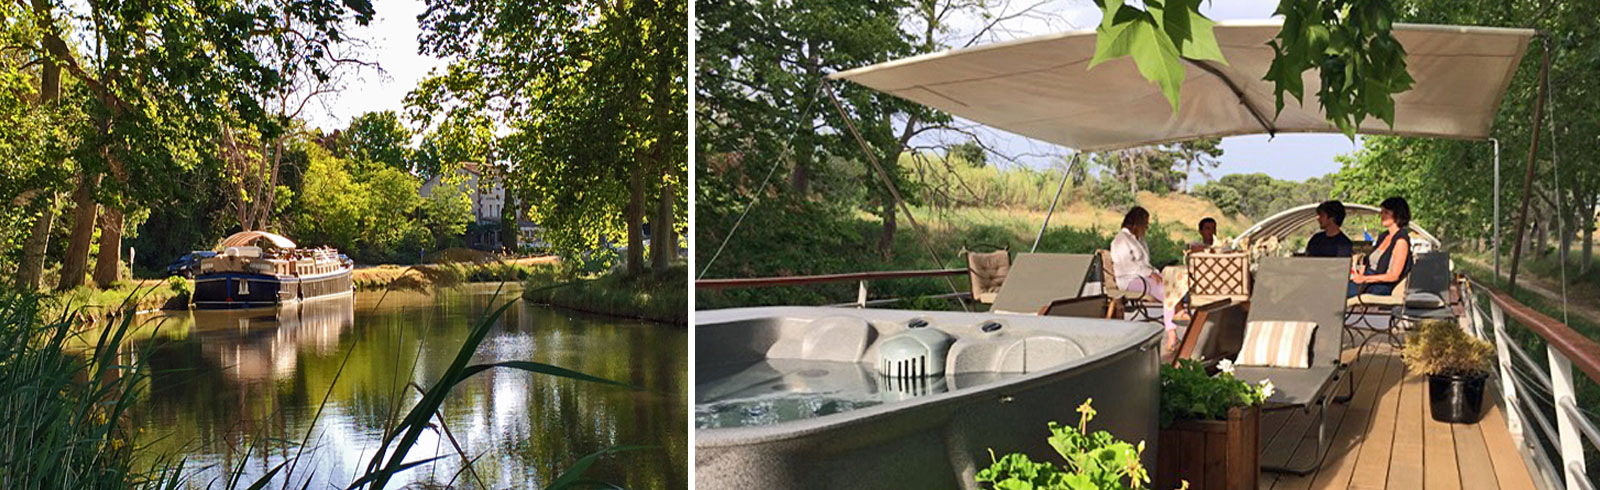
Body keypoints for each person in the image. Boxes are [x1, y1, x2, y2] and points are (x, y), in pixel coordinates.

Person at [1111, 206, 1177, 348]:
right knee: (1167, 291)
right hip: (1129, 280)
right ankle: (1172, 332)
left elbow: (1145, 264)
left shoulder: (1139, 239)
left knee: (1173, 282)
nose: (1147, 226)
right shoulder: (1121, 240)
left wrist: (1155, 272)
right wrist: (1149, 273)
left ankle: (1179, 314)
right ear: (1137, 222)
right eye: (1145, 223)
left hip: (1141, 277)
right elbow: (1126, 266)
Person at [1349, 197, 1413, 297]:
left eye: (1386, 213)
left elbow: (1394, 276)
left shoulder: (1401, 241)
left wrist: (1365, 279)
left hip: (1380, 285)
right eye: (1382, 212)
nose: (1382, 216)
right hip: (1368, 279)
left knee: (1339, 290)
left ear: (1397, 214)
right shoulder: (1383, 236)